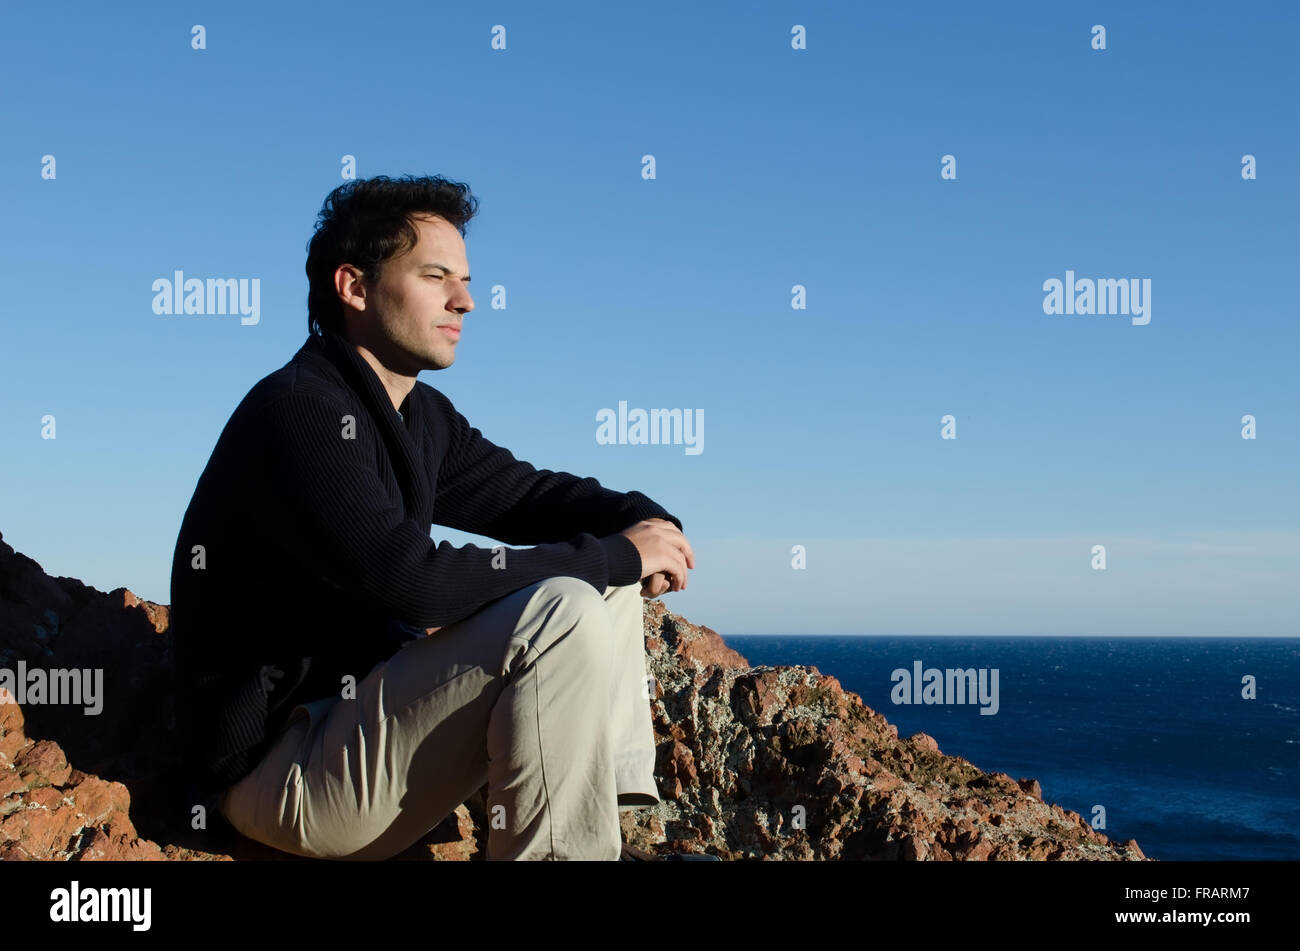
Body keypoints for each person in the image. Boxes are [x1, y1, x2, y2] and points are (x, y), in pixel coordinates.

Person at [169, 174, 695, 860]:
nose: (466, 300)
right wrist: (623, 553)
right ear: (354, 288)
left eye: (468, 279)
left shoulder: (419, 416)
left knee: (604, 575)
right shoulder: (299, 411)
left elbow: (527, 497)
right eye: (436, 275)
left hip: (360, 728)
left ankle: (606, 821)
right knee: (566, 604)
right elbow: (409, 580)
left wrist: (646, 522)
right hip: (283, 771)